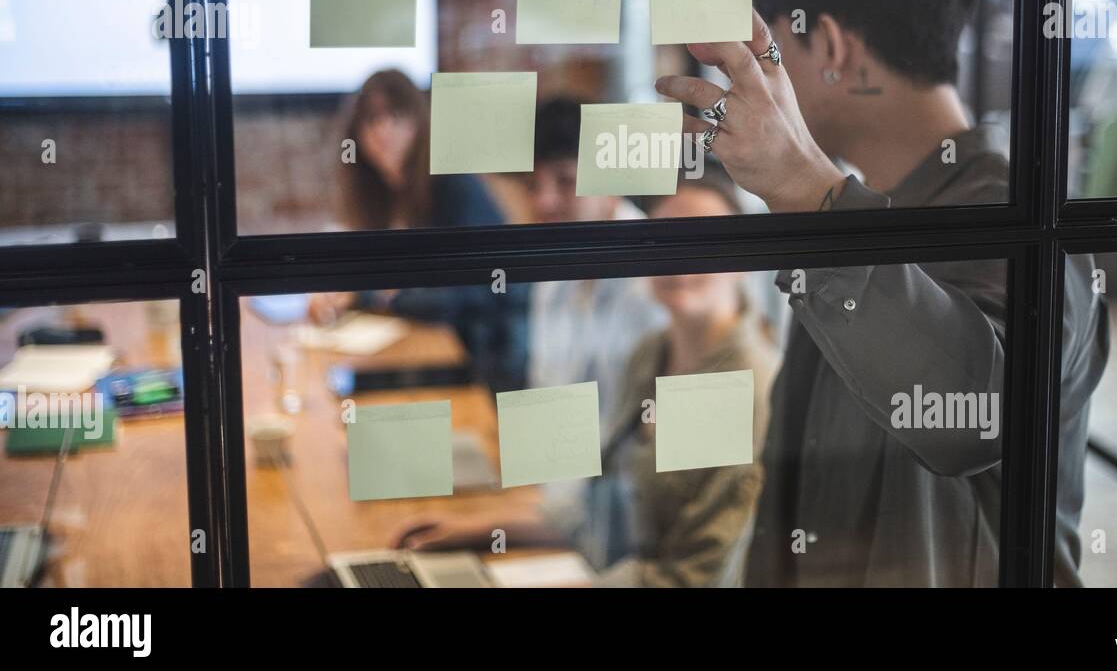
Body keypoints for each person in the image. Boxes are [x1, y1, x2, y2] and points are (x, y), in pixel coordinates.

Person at [653, 0, 1108, 586]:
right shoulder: (867, 208)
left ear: (832, 49)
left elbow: (969, 419)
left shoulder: (1016, 216)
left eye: (769, 51)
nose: (752, 83)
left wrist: (806, 190)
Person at [398, 166, 778, 587]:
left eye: (703, 241)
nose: (680, 259)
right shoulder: (650, 354)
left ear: (746, 258)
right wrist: (481, 529)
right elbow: (594, 508)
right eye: (665, 239)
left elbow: (697, 577)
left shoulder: (745, 382)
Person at [306, 69, 529, 393]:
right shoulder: (377, 196)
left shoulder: (455, 185)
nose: (384, 131)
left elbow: (466, 293)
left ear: (420, 123)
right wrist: (339, 289)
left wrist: (373, 294)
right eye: (371, 120)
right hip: (415, 352)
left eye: (397, 116)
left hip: (477, 355)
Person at [522, 97, 668, 540]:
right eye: (533, 185)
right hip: (563, 521)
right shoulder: (552, 274)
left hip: (636, 535)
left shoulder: (659, 283)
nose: (544, 201)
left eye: (565, 181)